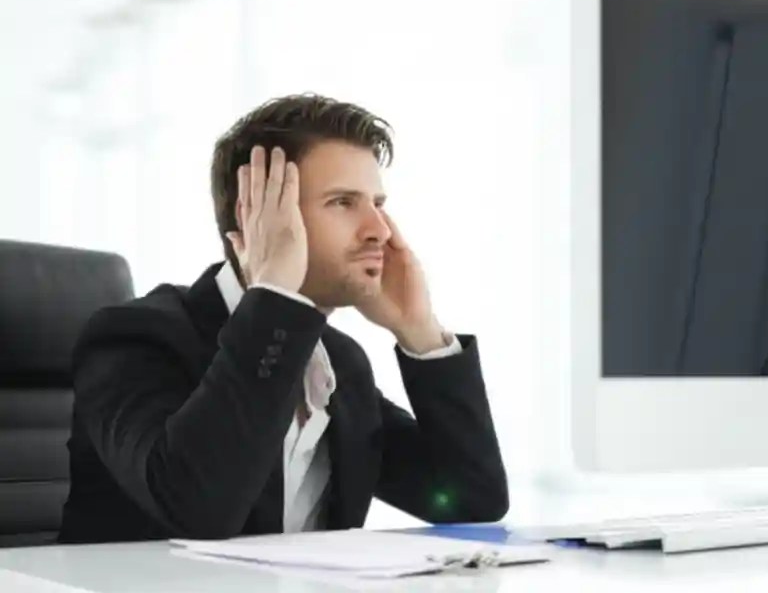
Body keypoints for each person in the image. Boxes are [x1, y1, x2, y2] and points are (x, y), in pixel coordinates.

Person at [58, 94, 508, 543]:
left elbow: (470, 501)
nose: (380, 229)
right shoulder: (134, 340)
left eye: (377, 202)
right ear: (256, 217)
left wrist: (421, 333)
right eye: (342, 202)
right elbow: (199, 512)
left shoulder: (337, 364)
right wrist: (273, 295)